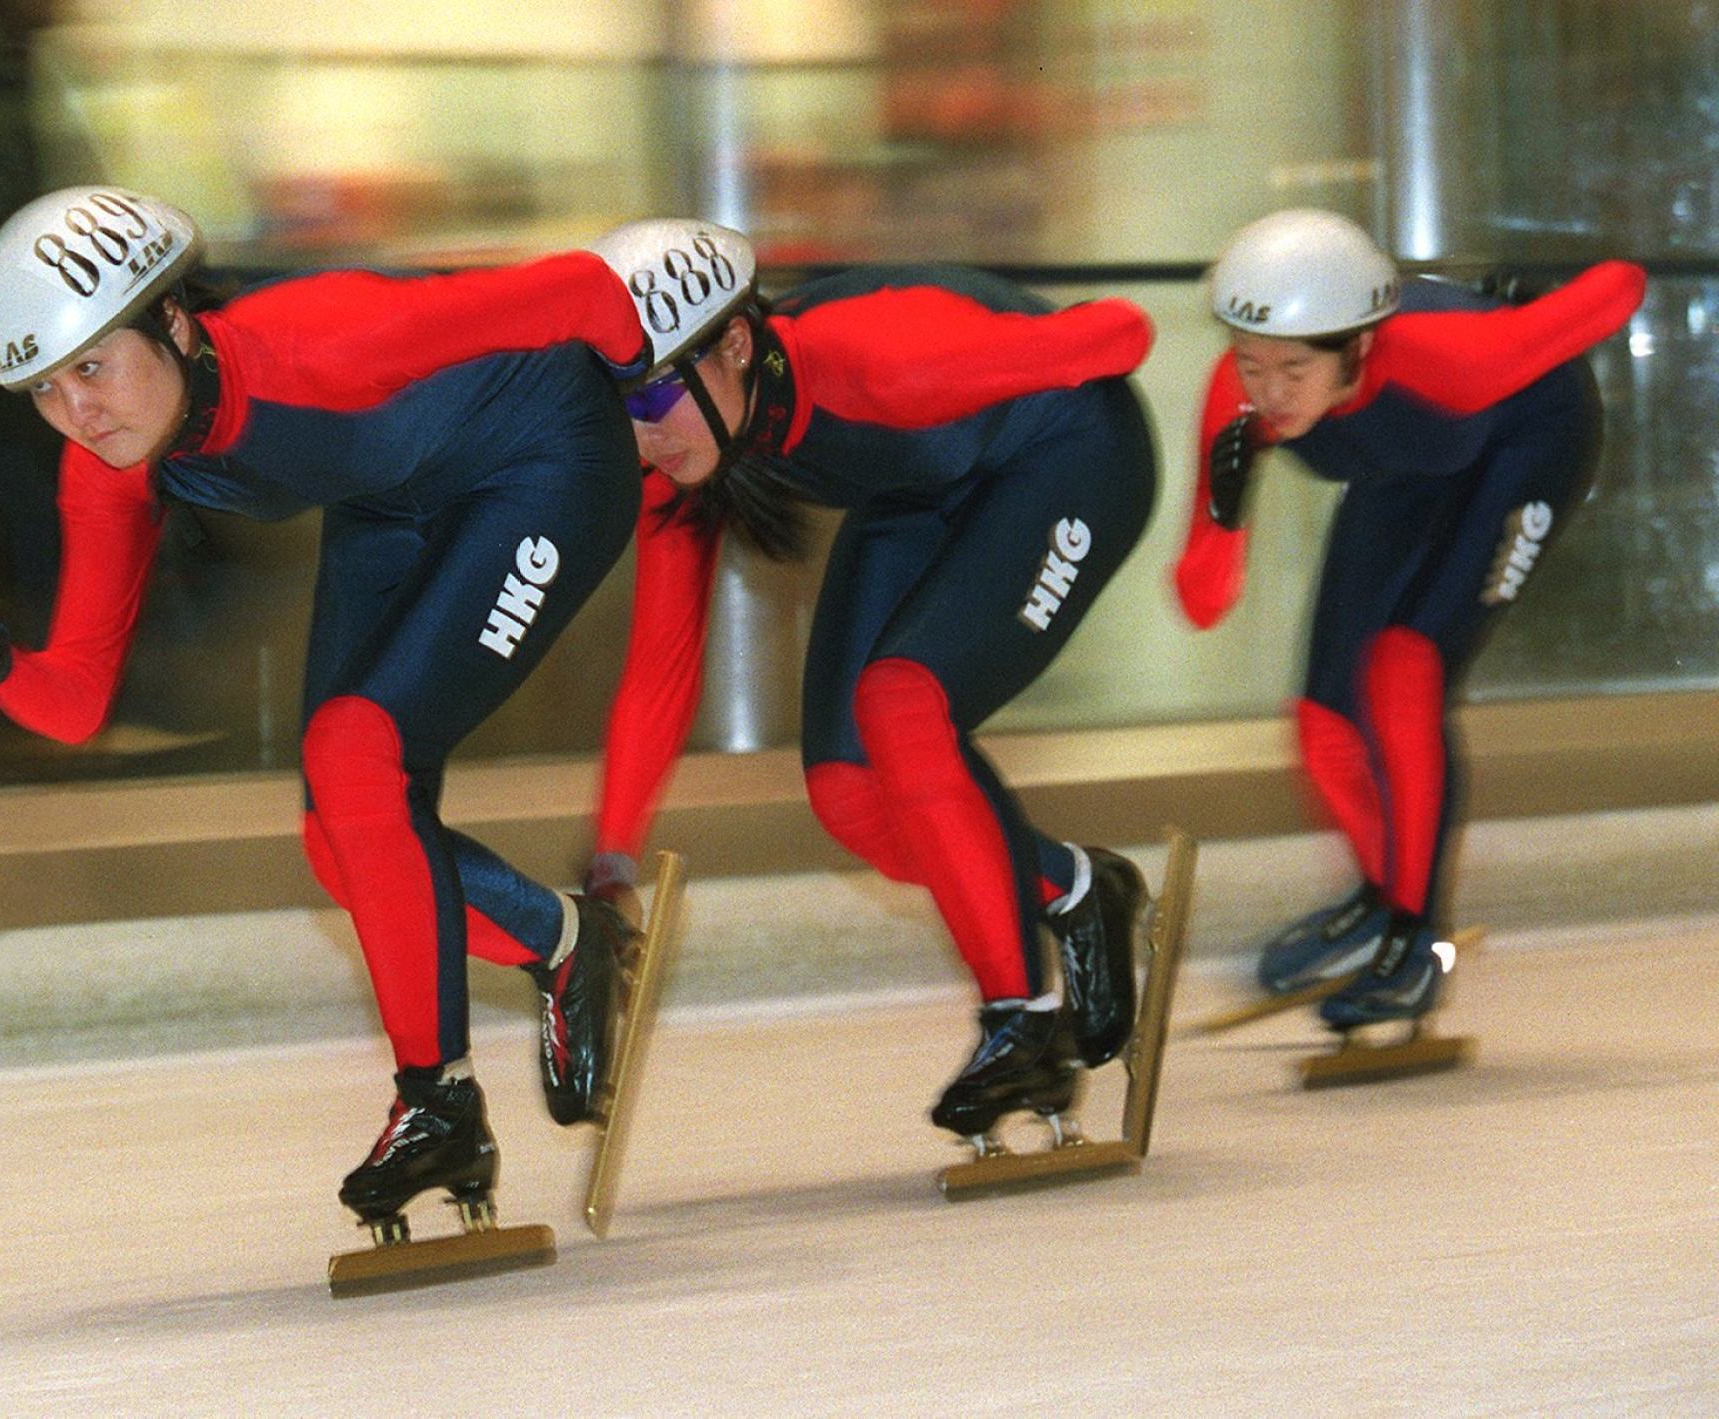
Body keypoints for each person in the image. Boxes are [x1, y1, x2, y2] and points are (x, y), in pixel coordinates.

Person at [0, 185, 689, 1236]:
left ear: (174, 323)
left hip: (546, 460)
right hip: (400, 497)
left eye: (90, 366)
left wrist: (653, 416)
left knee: (355, 749)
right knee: (342, 841)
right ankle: (560, 943)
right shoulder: (104, 466)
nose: (77, 413)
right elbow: (77, 703)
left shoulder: (324, 342)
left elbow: (584, 289)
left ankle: (436, 1102)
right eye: (45, 391)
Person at [579, 217, 1161, 1142]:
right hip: (926, 484)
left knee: (903, 701)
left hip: (1071, 451)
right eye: (616, 414)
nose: (640, 439)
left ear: (733, 342)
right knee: (850, 792)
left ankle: (1023, 1022)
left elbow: (1121, 331)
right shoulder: (679, 455)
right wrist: (610, 863)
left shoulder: (877, 358)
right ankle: (1076, 889)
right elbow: (661, 664)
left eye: (648, 403)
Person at [1173, 208, 1645, 1030]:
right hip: (1406, 460)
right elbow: (1201, 599)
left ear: (1357, 346)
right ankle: (1381, 893)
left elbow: (1620, 287)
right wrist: (1225, 504)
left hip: (1528, 435)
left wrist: (1525, 304)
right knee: (1323, 719)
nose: (1269, 394)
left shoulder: (1460, 359)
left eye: (1293, 368)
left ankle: (1414, 938)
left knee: (1404, 668)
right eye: (1250, 364)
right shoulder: (1239, 399)